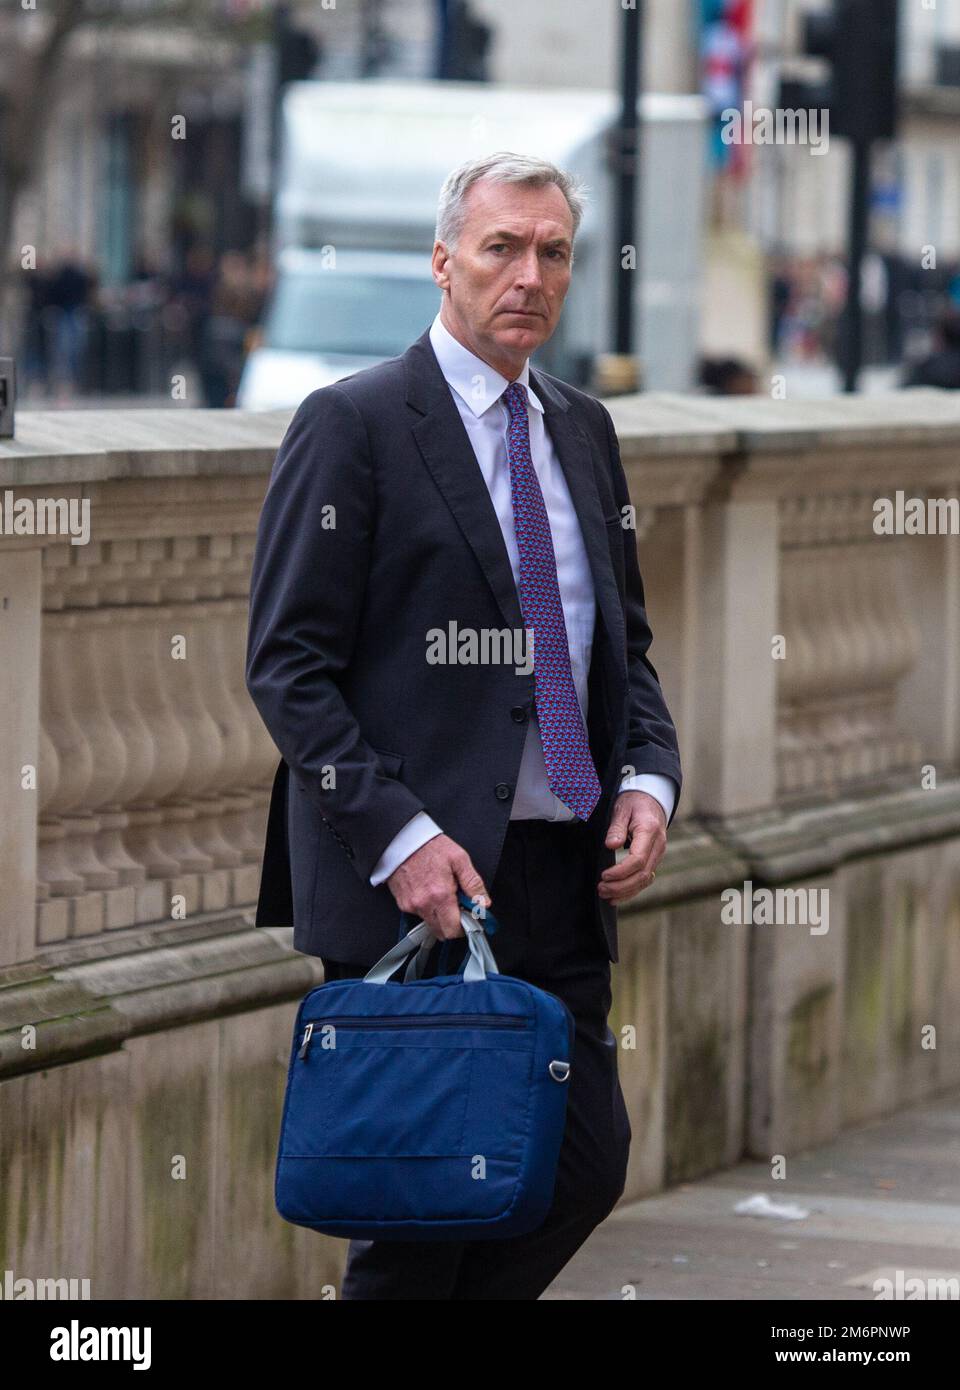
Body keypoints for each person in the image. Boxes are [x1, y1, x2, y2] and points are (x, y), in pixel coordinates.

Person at [245, 151, 682, 1300]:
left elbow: (620, 646)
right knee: (418, 1209)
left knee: (579, 1162)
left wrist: (648, 776)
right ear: (444, 263)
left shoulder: (583, 429)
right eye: (501, 247)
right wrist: (399, 838)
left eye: (552, 252)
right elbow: (288, 667)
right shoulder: (355, 425)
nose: (527, 274)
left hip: (560, 866)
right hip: (423, 880)